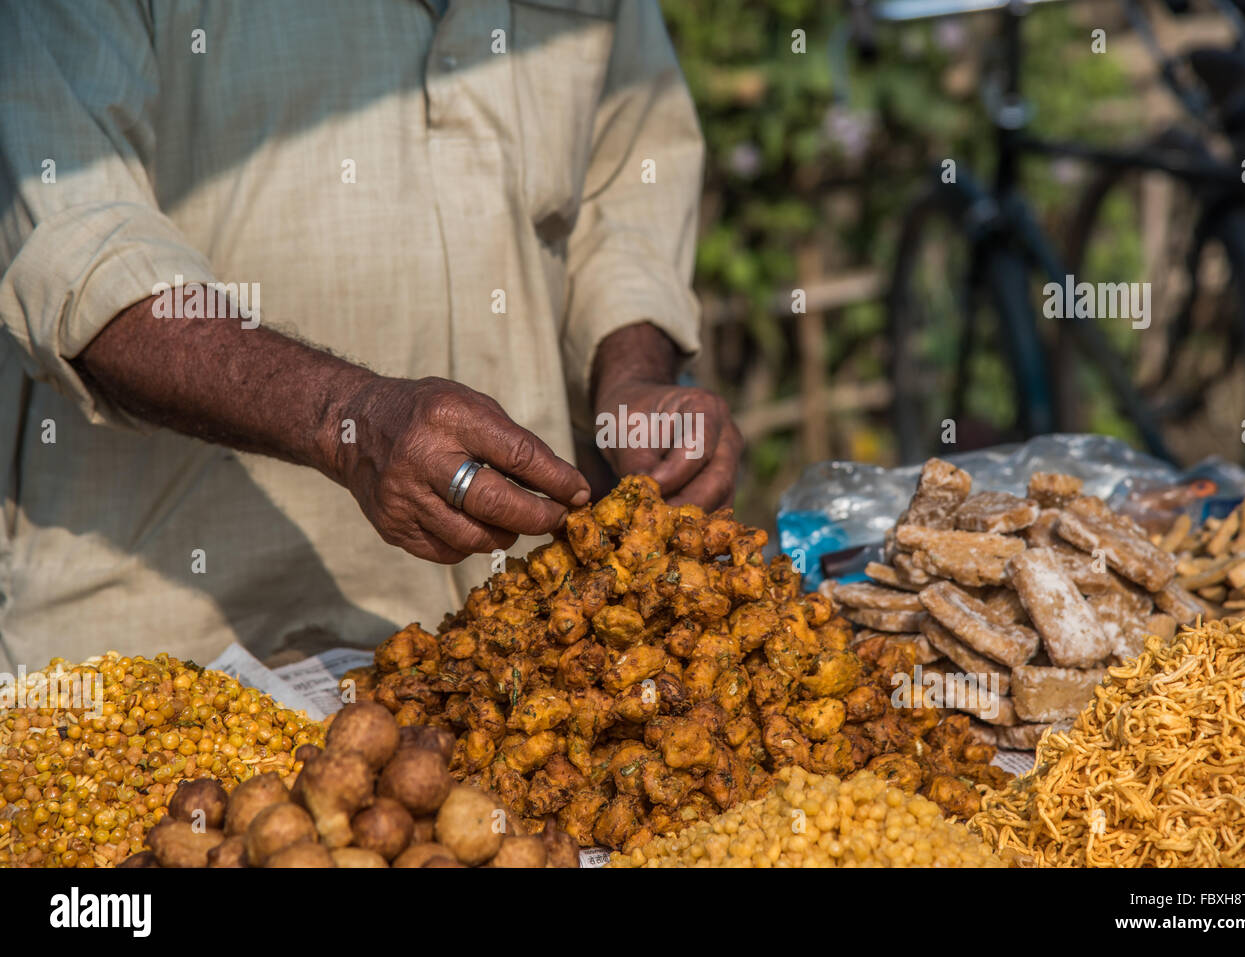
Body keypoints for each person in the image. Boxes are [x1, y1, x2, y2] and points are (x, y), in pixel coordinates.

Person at [0, 0, 742, 671]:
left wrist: (632, 377)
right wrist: (347, 419)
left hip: (494, 654)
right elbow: (82, 249)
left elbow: (631, 180)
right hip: (165, 656)